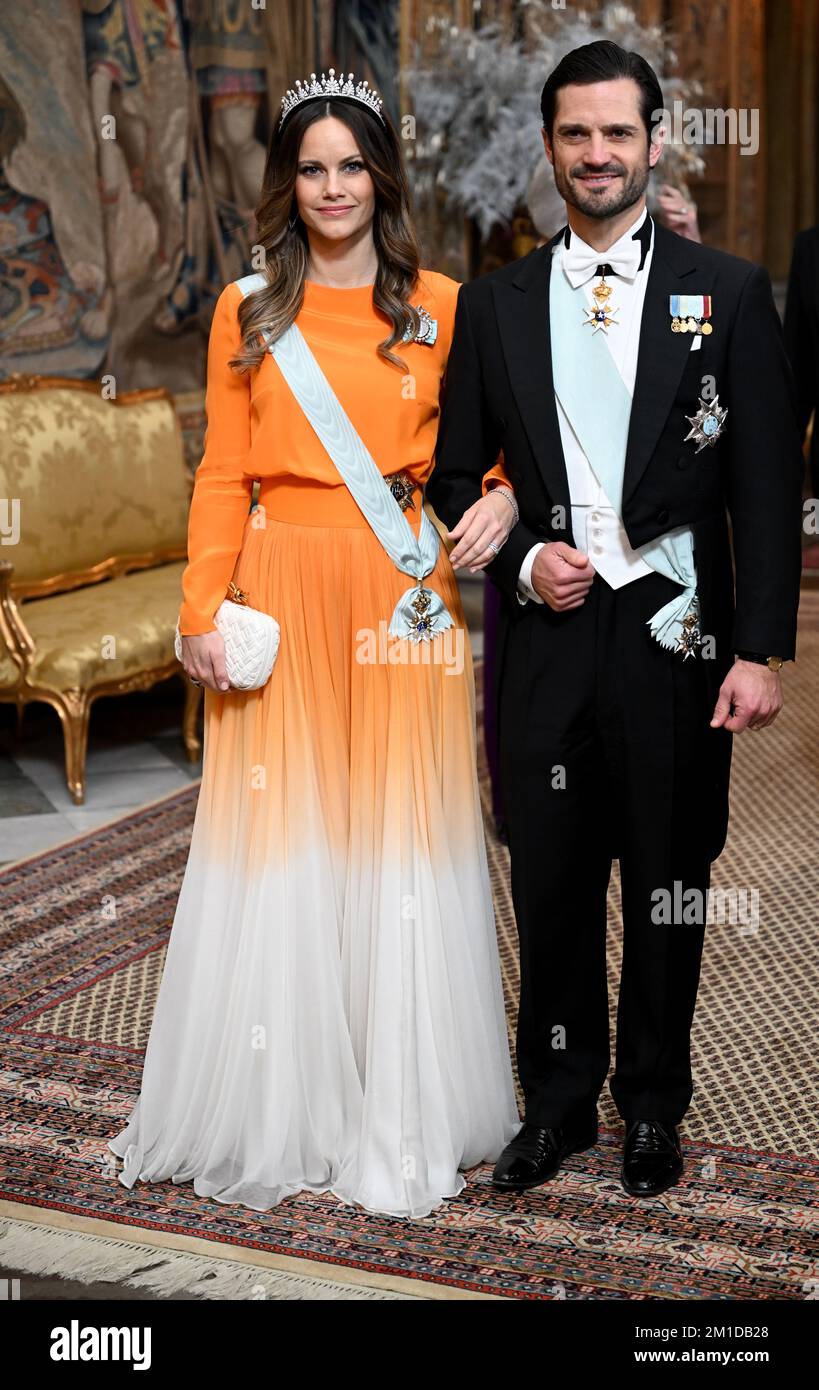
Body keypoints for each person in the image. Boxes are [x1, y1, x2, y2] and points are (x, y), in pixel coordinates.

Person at [107, 70, 522, 1219]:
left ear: (379, 176)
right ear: (287, 182)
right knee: (286, 830)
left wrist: (495, 493)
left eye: (352, 164)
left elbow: (485, 448)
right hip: (283, 579)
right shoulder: (249, 311)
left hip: (402, 591)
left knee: (396, 832)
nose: (333, 186)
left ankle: (400, 1101)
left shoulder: (444, 301)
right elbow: (221, 473)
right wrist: (200, 606)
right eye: (312, 166)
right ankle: (287, 1101)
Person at [427, 40, 803, 1199]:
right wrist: (528, 550)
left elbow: (763, 487)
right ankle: (556, 1105)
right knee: (547, 880)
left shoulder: (726, 291)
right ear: (549, 145)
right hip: (546, 637)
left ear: (653, 142)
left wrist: (759, 647)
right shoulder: (493, 307)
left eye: (619, 133)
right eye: (576, 134)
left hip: (677, 639)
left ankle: (651, 1105)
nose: (598, 154)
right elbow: (449, 478)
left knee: (667, 878)